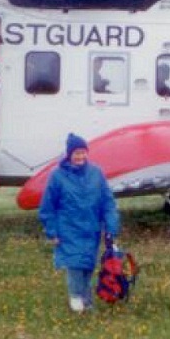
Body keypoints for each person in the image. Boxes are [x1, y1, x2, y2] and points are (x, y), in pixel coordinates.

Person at [39, 133, 120, 313]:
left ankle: (86, 301)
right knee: (75, 265)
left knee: (88, 266)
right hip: (68, 230)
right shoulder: (57, 176)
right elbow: (47, 207)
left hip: (91, 230)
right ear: (69, 154)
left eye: (83, 152)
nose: (80, 156)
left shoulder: (96, 173)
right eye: (77, 153)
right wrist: (51, 231)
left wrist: (111, 227)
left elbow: (108, 202)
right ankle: (77, 299)